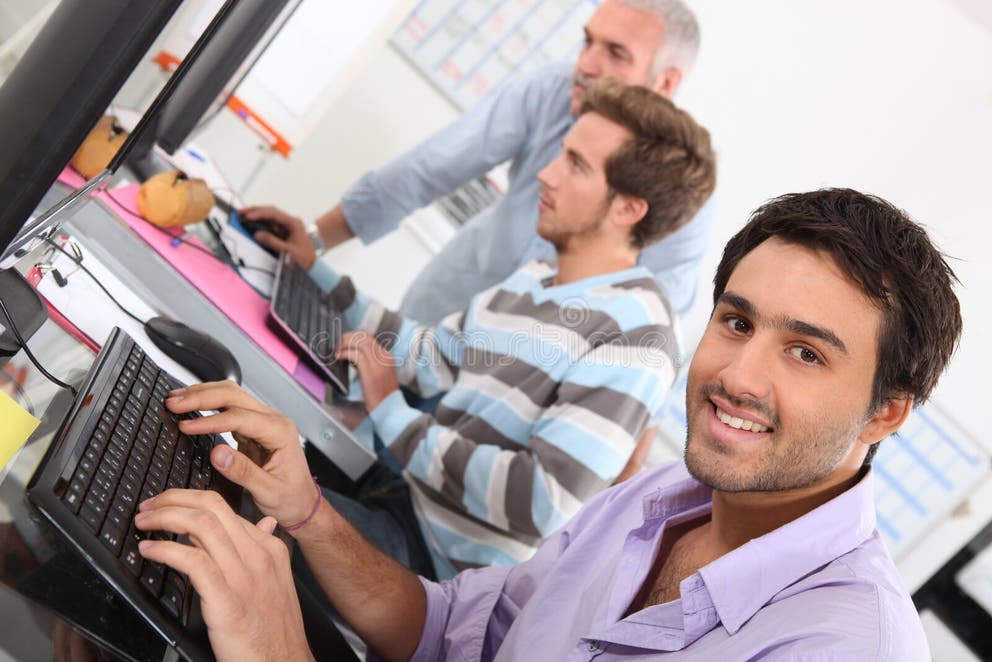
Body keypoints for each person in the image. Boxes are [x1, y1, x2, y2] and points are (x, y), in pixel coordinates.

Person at [135, 187, 961, 661]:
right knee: (144, 566)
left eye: (807, 355)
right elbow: (448, 630)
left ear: (887, 410)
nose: (739, 377)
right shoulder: (653, 502)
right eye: (738, 323)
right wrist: (307, 508)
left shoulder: (844, 647)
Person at [268, 78, 715, 580]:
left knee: (246, 523)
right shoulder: (536, 280)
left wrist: (392, 414)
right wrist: (318, 272)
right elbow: (431, 357)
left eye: (575, 165)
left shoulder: (638, 337)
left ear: (628, 209)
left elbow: (539, 501)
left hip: (439, 569)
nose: (545, 175)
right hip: (402, 494)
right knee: (245, 459)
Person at [242, 0, 715, 324]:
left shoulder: (683, 193)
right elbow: (431, 167)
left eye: (615, 53)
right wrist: (317, 240)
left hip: (520, 376)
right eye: (587, 42)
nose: (586, 65)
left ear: (666, 83)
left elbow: (651, 328)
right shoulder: (554, 88)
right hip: (446, 304)